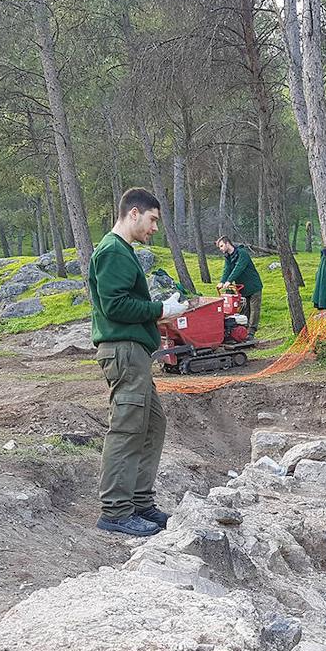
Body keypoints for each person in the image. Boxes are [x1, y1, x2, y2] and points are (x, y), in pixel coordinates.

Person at [89, 187, 188, 537]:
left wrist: (157, 312)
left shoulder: (123, 252)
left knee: (152, 424)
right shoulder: (113, 251)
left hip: (135, 351)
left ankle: (141, 502)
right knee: (128, 426)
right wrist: (161, 310)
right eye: (152, 220)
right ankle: (115, 510)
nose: (155, 228)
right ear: (133, 213)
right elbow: (114, 306)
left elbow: (123, 303)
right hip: (123, 351)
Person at [215, 236, 263, 336]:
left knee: (254, 309)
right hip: (242, 288)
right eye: (219, 247)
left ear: (227, 243)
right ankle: (242, 331)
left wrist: (229, 280)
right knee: (244, 309)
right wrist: (222, 281)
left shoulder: (242, 253)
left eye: (222, 246)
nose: (221, 249)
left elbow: (239, 267)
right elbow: (226, 269)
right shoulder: (228, 257)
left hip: (253, 286)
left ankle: (251, 332)